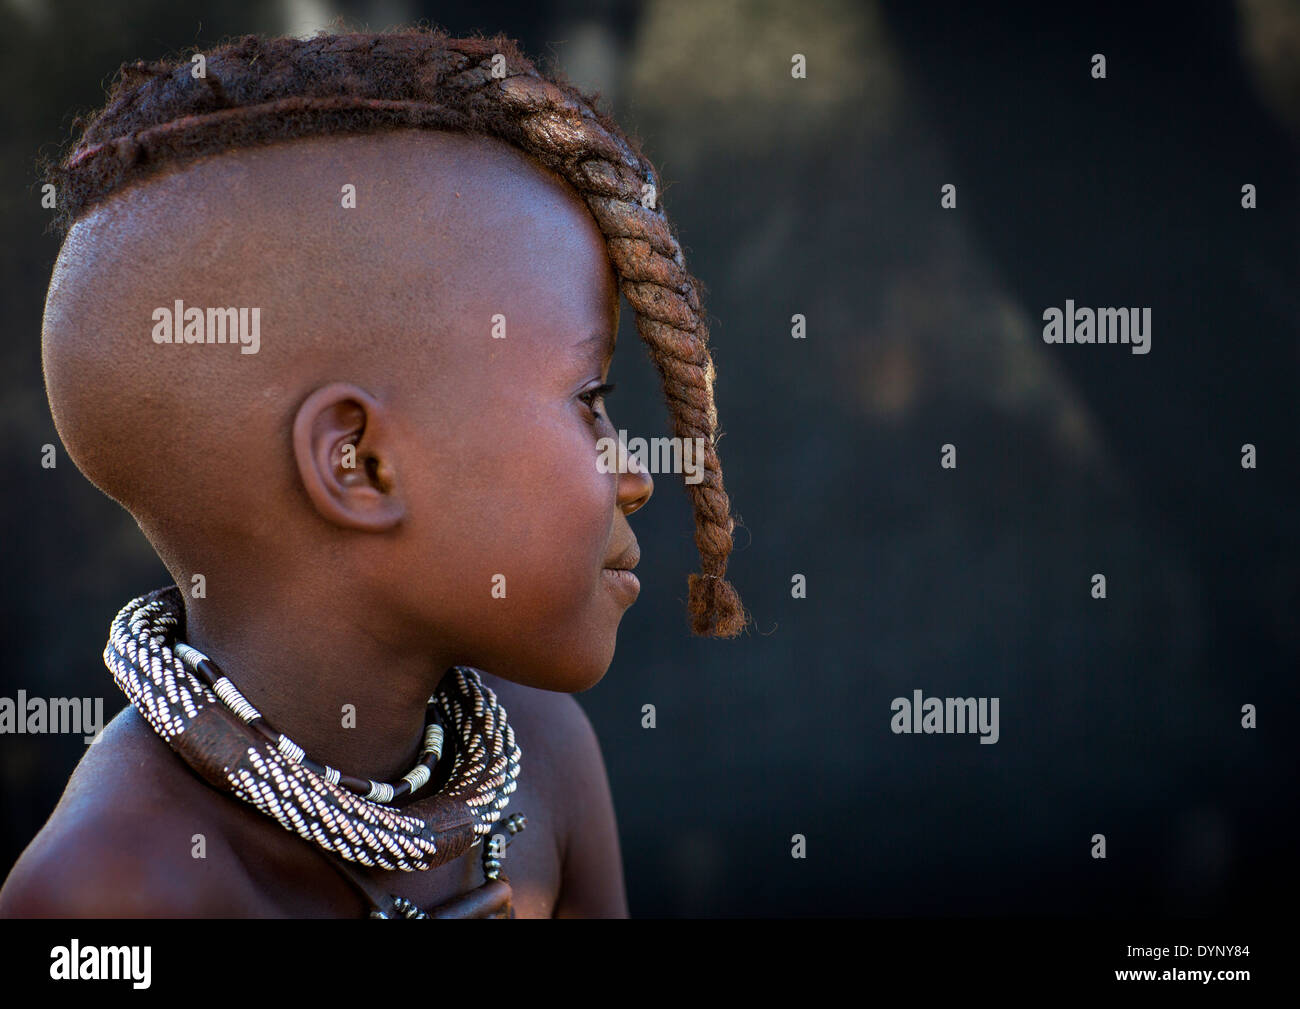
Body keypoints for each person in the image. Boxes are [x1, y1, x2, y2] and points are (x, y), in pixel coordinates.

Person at [0, 27, 745, 918]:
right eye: (590, 401)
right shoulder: (113, 891)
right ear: (360, 464)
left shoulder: (540, 756)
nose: (635, 476)